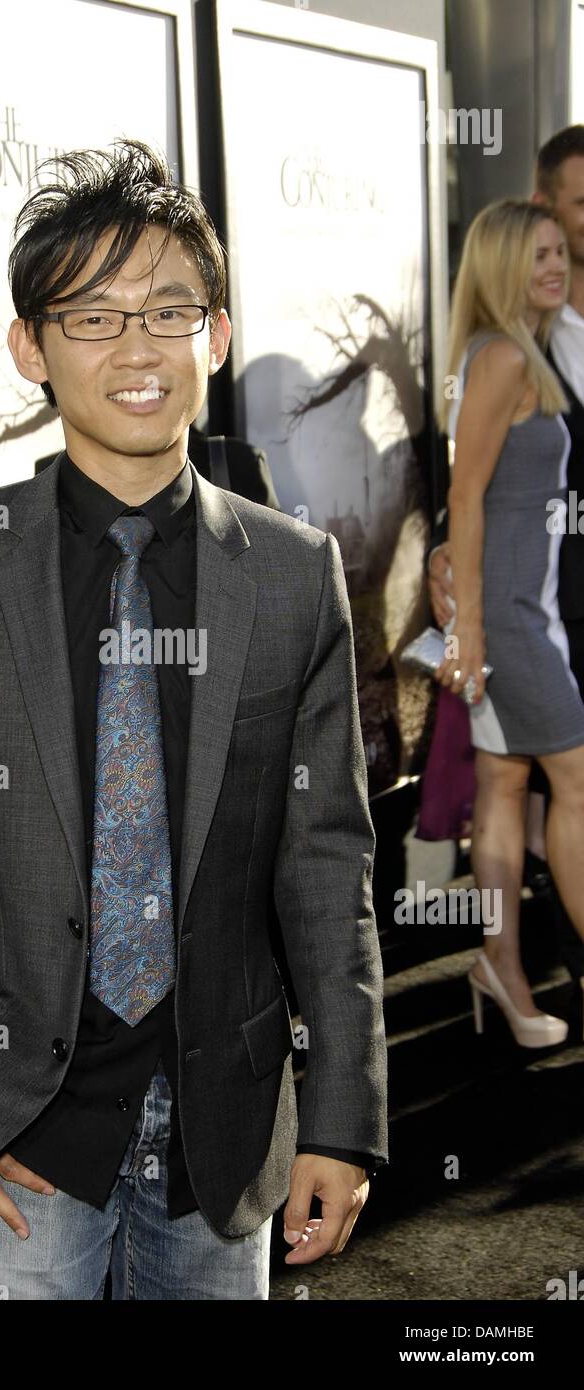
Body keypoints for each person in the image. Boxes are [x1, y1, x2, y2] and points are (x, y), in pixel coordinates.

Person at [0, 139, 387, 1301]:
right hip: (16, 1140)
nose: (136, 347)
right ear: (30, 347)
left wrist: (341, 1117)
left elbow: (324, 858)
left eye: (167, 309)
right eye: (89, 316)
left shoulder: (292, 574)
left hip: (221, 1140)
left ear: (216, 335)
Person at [430, 128, 584, 1027]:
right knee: (574, 780)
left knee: (504, 787)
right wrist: (473, 630)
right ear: (499, 263)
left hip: (529, 613)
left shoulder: (517, 354)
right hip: (512, 623)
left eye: (560, 252)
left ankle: (501, 972)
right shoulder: (495, 358)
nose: (556, 266)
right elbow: (466, 493)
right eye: (539, 255)